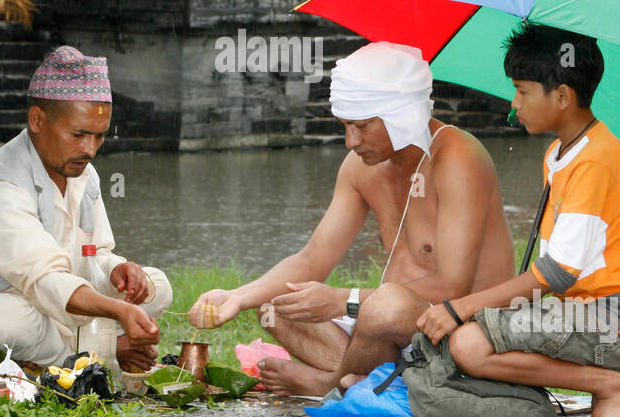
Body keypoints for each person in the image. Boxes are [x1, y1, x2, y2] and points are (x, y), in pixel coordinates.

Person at [188, 41, 514, 396]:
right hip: (383, 331)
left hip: (457, 332)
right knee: (277, 303)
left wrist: (346, 300)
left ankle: (332, 382)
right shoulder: (361, 167)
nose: (350, 141)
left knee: (386, 303)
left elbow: (453, 287)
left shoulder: (459, 157)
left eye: (361, 126)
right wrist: (237, 296)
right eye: (344, 125)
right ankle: (364, 380)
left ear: (401, 115)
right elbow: (312, 259)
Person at [416, 21, 620, 417]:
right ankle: (614, 380)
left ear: (563, 96)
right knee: (477, 329)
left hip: (615, 319)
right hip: (595, 311)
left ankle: (617, 386)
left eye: (523, 91)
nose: (515, 103)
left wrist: (461, 307)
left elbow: (558, 274)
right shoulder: (561, 153)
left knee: (470, 345)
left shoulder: (596, 161)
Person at [0, 46, 169, 373]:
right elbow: (45, 279)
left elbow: (94, 253)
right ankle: (103, 353)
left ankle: (72, 353)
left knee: (156, 286)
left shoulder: (82, 172)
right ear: (37, 120)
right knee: (8, 321)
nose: (90, 149)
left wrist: (118, 270)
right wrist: (117, 316)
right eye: (78, 135)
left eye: (99, 137)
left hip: (49, 299)